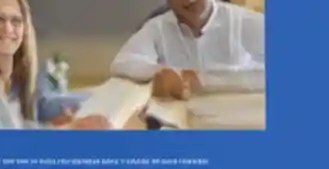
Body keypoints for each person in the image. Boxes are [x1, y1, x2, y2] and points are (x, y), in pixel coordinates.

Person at [0, 0, 108, 129]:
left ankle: (57, 70)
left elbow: (17, 127)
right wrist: (68, 128)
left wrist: (54, 127)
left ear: (24, 30)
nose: (8, 28)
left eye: (16, 21)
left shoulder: (13, 86)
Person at [110, 0, 265, 100]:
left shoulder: (244, 21)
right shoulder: (157, 27)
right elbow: (123, 62)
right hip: (182, 123)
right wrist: (166, 72)